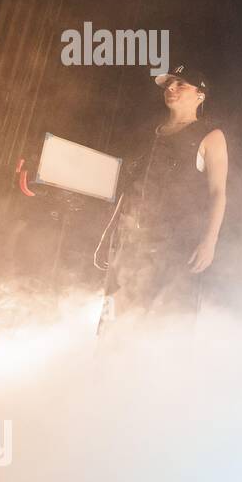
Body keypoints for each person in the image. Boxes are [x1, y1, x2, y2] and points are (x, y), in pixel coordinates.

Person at [99, 65, 228, 329]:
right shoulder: (149, 133)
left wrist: (209, 240)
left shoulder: (210, 136)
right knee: (113, 322)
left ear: (200, 95)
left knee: (165, 323)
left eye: (180, 84)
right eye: (169, 84)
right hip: (130, 243)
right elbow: (129, 189)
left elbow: (218, 193)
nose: (171, 88)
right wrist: (108, 235)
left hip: (176, 247)